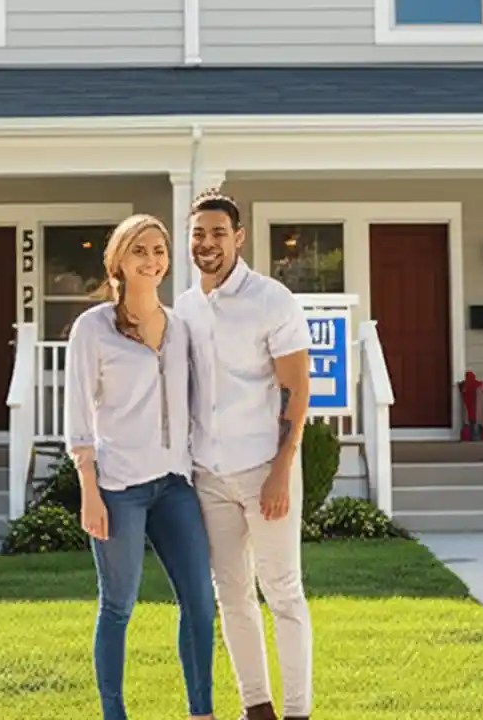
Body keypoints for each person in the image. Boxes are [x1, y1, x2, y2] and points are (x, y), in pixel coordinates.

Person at [64, 214, 217, 720]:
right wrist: (89, 489)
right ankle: (114, 713)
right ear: (119, 261)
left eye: (158, 250)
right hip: (118, 487)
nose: (151, 260)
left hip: (174, 485)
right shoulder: (93, 329)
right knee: (118, 605)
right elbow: (78, 416)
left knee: (200, 601)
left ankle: (202, 711)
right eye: (140, 251)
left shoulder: (181, 328)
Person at [177, 190, 314, 720]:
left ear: (238, 237)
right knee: (231, 594)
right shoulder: (185, 308)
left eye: (218, 233)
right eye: (198, 233)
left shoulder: (272, 300)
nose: (207, 243)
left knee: (282, 592)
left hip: (264, 468)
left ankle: (298, 711)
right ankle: (256, 707)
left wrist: (281, 470)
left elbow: (296, 391)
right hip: (209, 475)